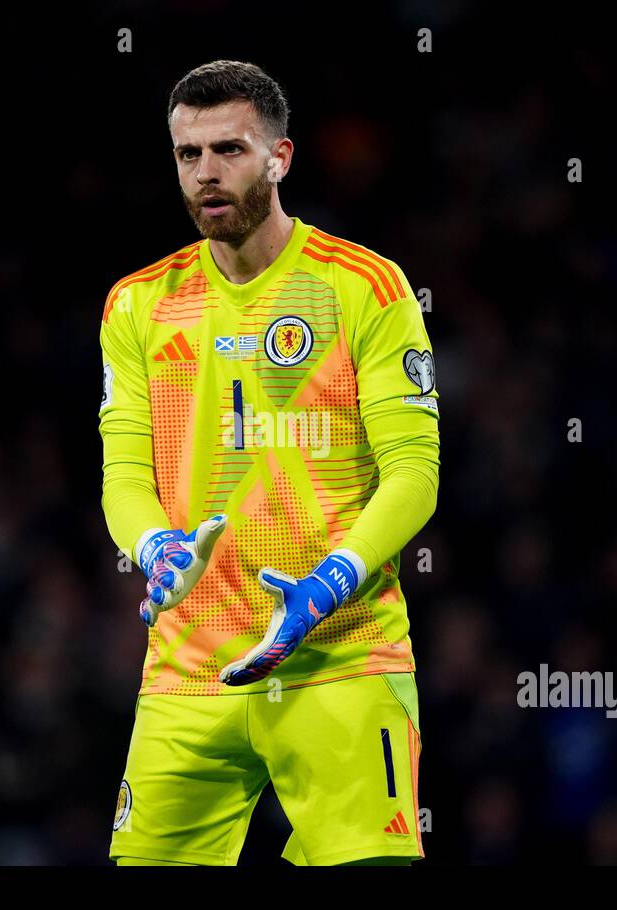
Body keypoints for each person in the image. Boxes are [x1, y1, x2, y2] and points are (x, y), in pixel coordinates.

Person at [98, 60, 440, 866]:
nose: (207, 174)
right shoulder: (138, 304)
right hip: (188, 671)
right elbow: (124, 478)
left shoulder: (365, 287)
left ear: (280, 157)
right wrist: (156, 549)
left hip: (342, 658)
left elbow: (414, 474)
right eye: (189, 155)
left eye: (230, 149)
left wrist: (325, 586)